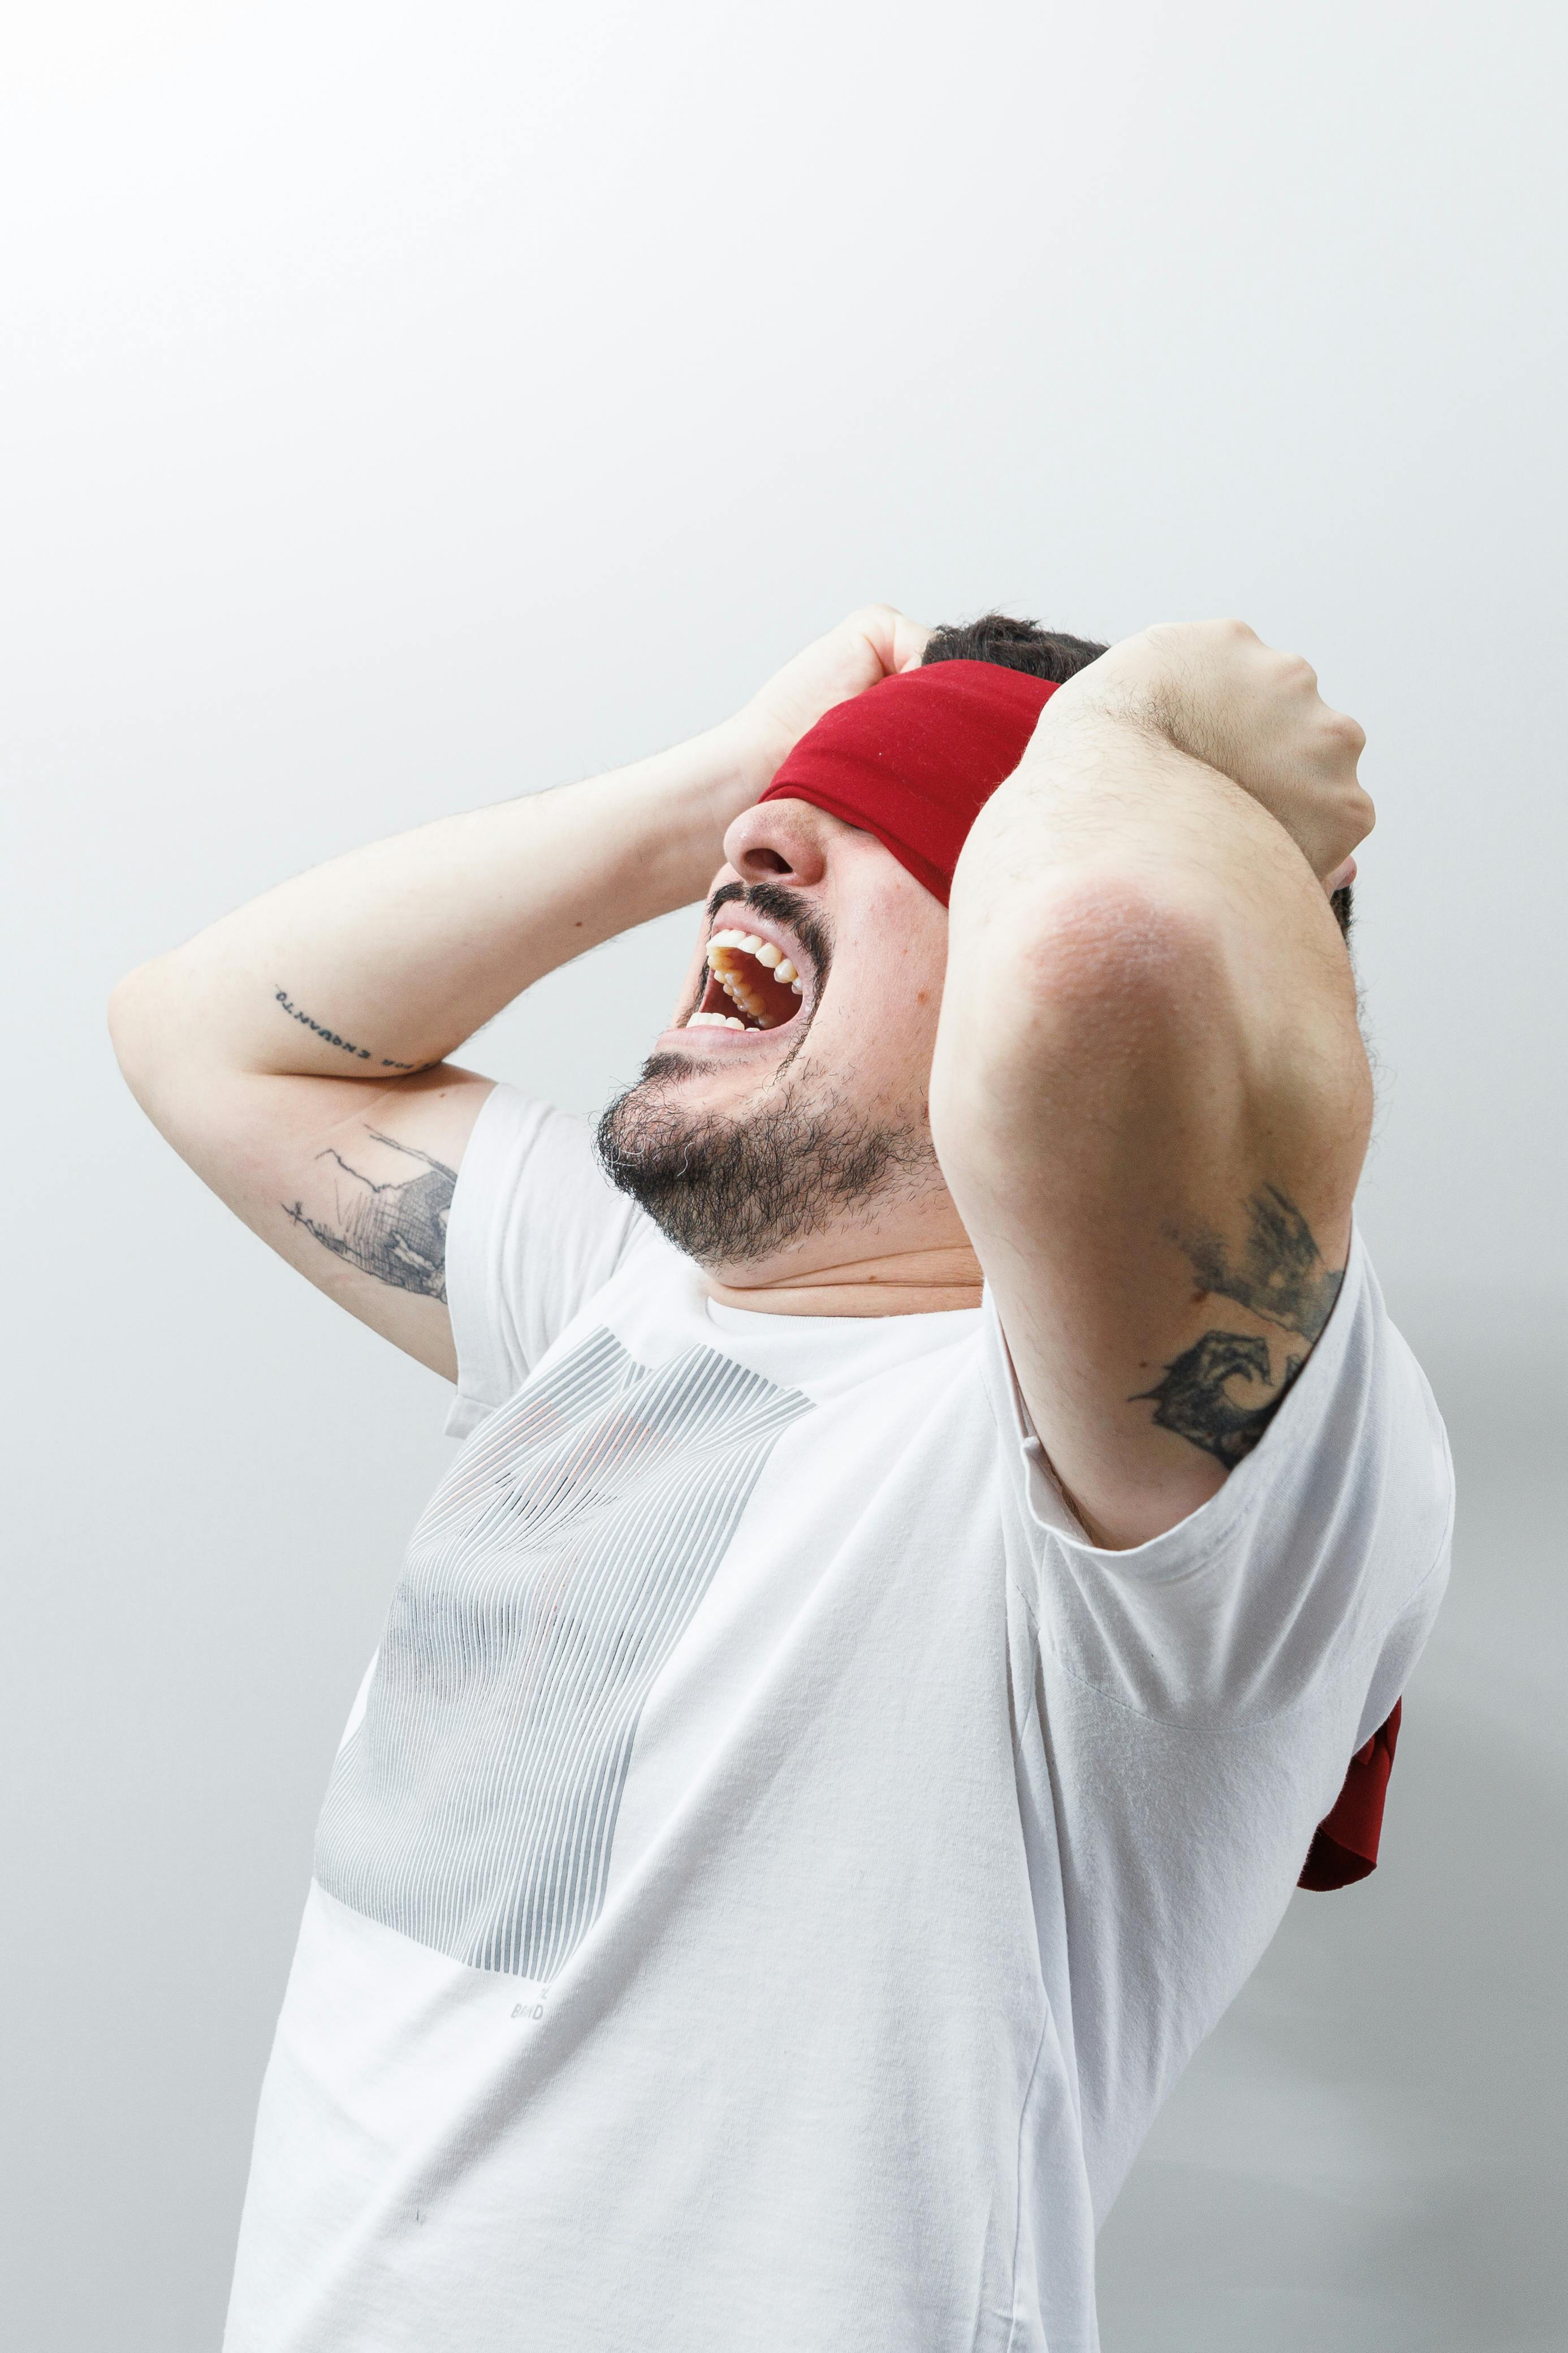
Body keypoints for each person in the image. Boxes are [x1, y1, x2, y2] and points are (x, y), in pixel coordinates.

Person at [109, 606, 1453, 2352]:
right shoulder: (620, 1297)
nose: (756, 852)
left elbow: (1096, 982)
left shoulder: (1176, 1489)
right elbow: (199, 1031)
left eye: (903, 814)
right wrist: (712, 797)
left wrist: (1160, 717)